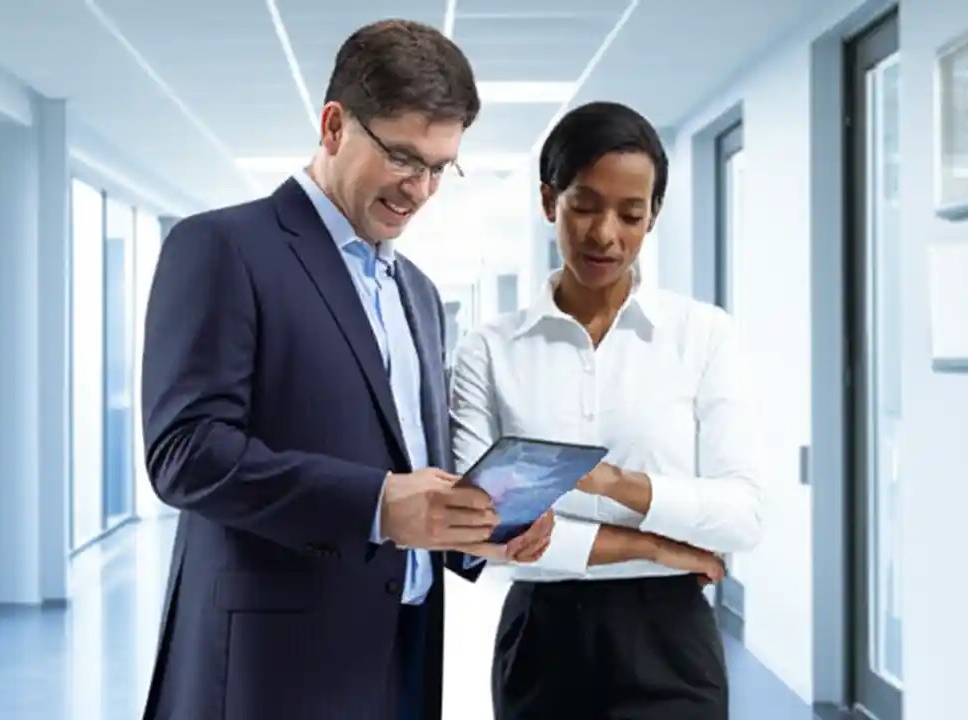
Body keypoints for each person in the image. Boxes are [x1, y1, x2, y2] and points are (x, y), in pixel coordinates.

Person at [140, 19, 554, 720]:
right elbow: (185, 453)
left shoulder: (418, 292)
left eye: (438, 167)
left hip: (402, 658)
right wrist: (376, 504)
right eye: (402, 157)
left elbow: (410, 461)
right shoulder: (222, 247)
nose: (420, 189)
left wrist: (480, 527)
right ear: (333, 126)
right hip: (271, 671)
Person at [449, 101, 764, 719]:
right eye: (584, 205)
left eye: (631, 213)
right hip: (541, 640)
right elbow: (476, 530)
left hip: (671, 643)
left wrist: (612, 483)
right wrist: (656, 546)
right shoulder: (488, 349)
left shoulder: (701, 336)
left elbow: (743, 516)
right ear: (549, 201)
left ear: (653, 217)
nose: (605, 234)